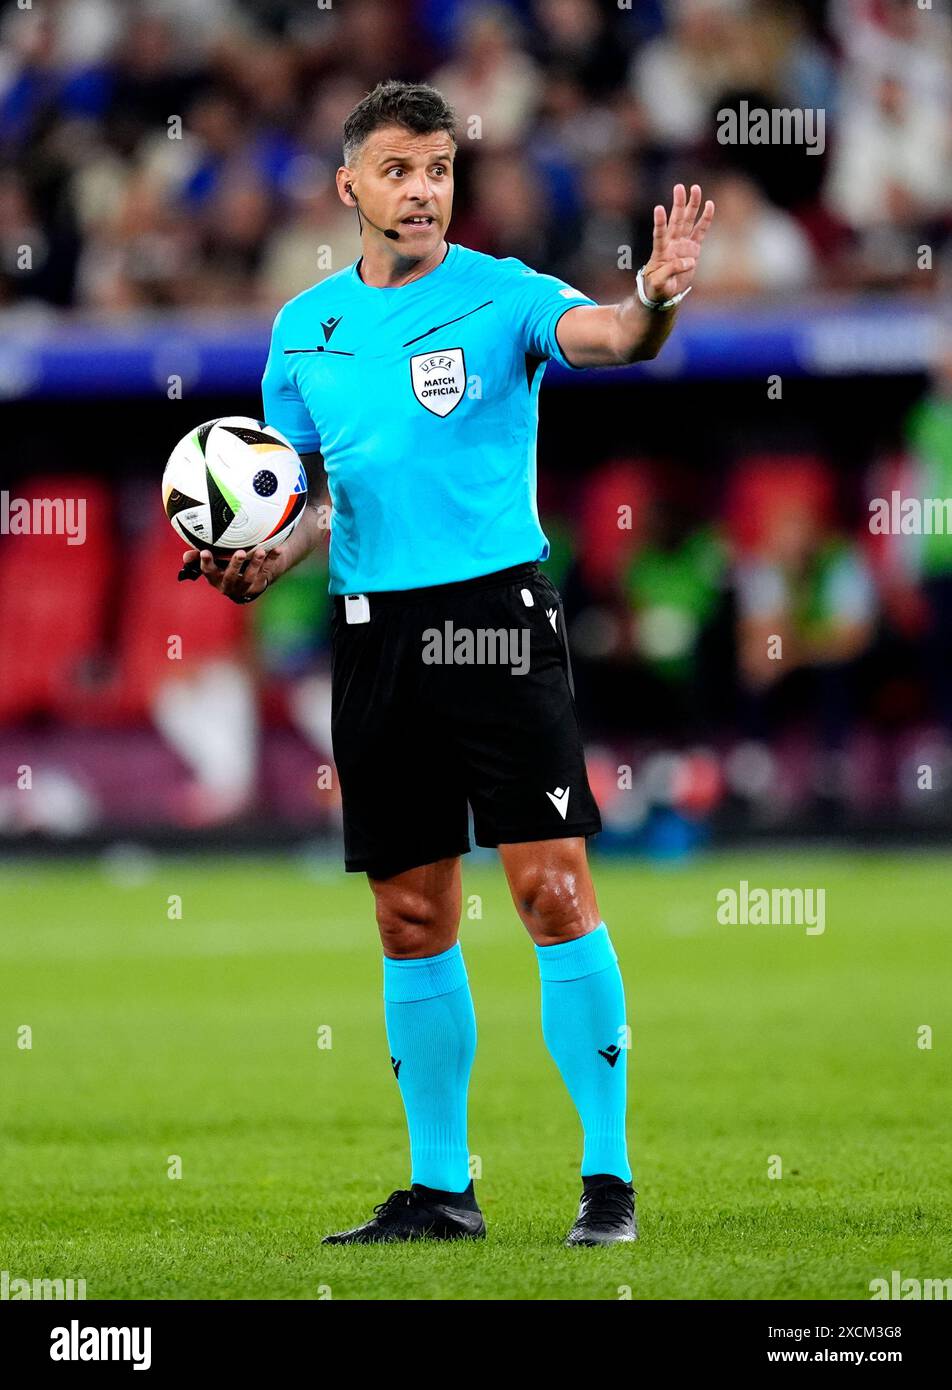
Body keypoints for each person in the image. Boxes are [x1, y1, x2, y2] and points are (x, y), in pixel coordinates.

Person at [180, 79, 714, 1247]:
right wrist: (268, 558)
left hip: (496, 618)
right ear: (350, 189)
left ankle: (607, 1180)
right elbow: (308, 496)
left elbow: (612, 339)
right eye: (399, 171)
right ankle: (439, 1190)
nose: (423, 191)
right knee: (412, 915)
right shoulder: (303, 330)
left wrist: (654, 301)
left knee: (551, 889)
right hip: (373, 633)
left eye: (438, 170)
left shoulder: (505, 294)